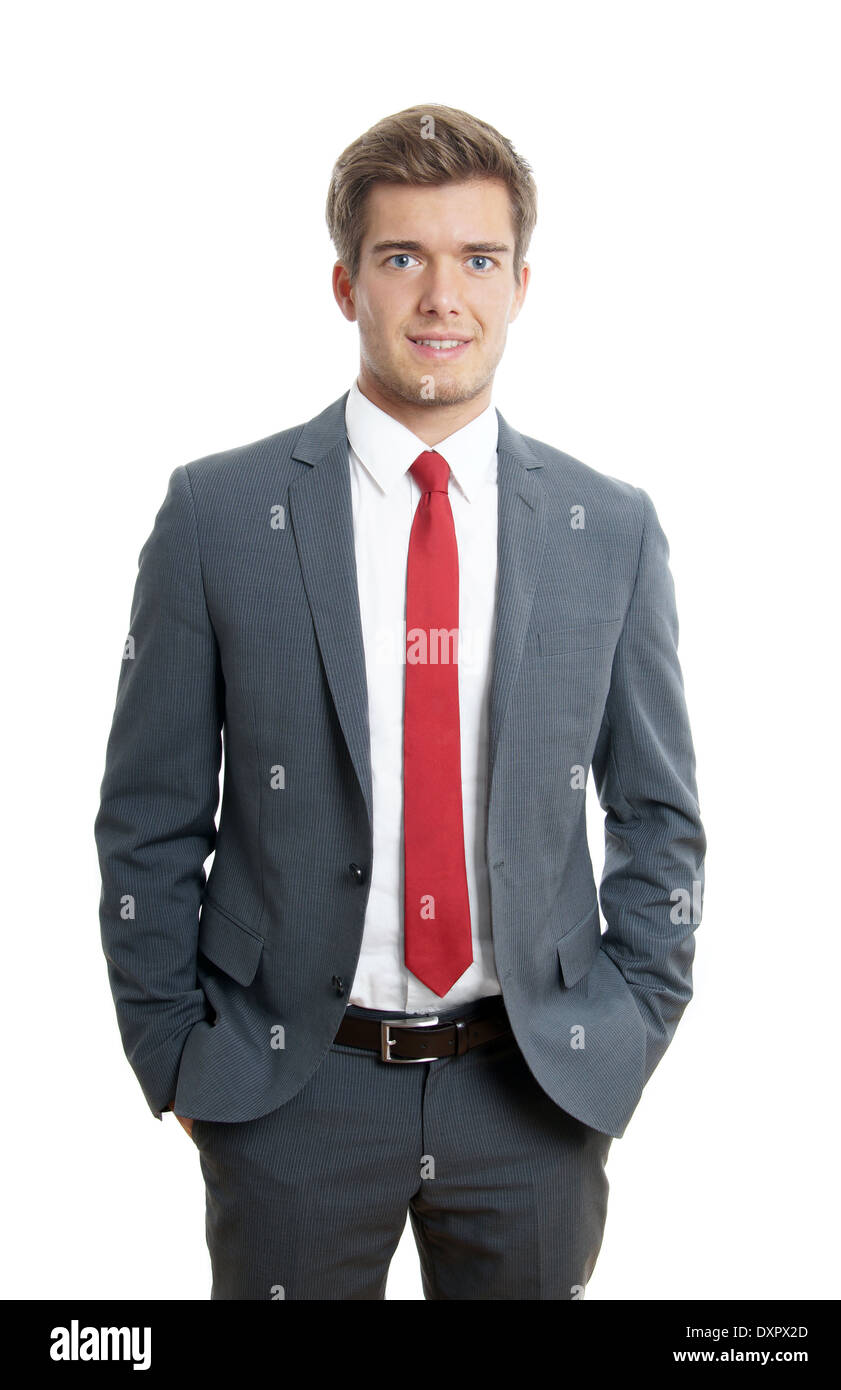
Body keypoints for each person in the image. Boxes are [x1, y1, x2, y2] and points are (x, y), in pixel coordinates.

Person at [94, 103, 705, 1301]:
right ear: (345, 283)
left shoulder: (610, 530)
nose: (442, 296)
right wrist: (174, 1055)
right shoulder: (220, 517)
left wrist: (628, 1025)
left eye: (477, 259)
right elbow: (148, 818)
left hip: (532, 1092)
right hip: (289, 1089)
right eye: (402, 258)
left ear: (522, 284)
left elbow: (661, 815)